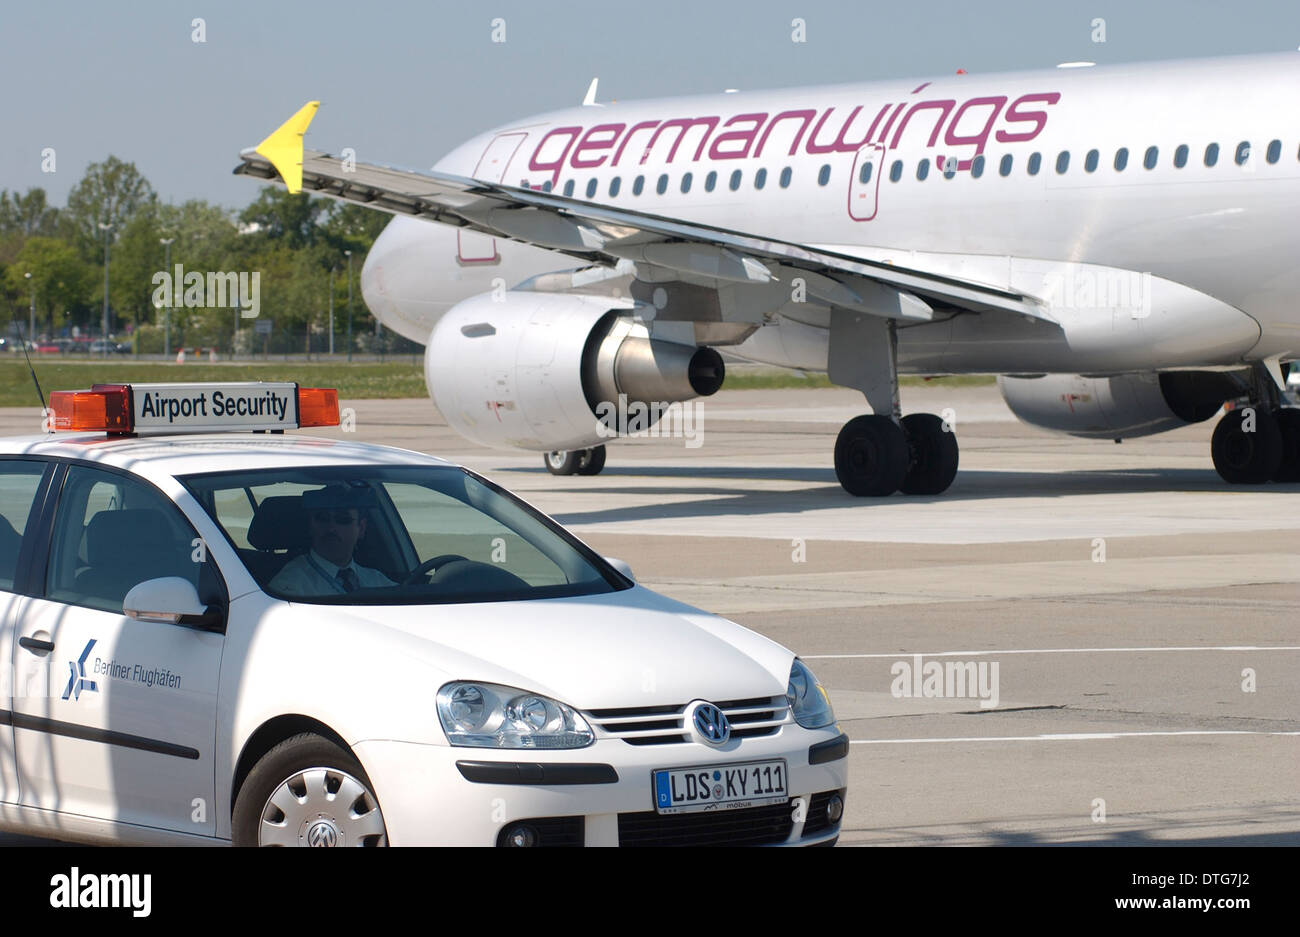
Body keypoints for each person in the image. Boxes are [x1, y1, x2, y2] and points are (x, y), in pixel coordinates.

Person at [269, 484, 395, 596]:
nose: (332, 528)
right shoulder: (289, 586)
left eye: (343, 520)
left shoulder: (378, 582)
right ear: (310, 525)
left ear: (361, 529)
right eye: (322, 518)